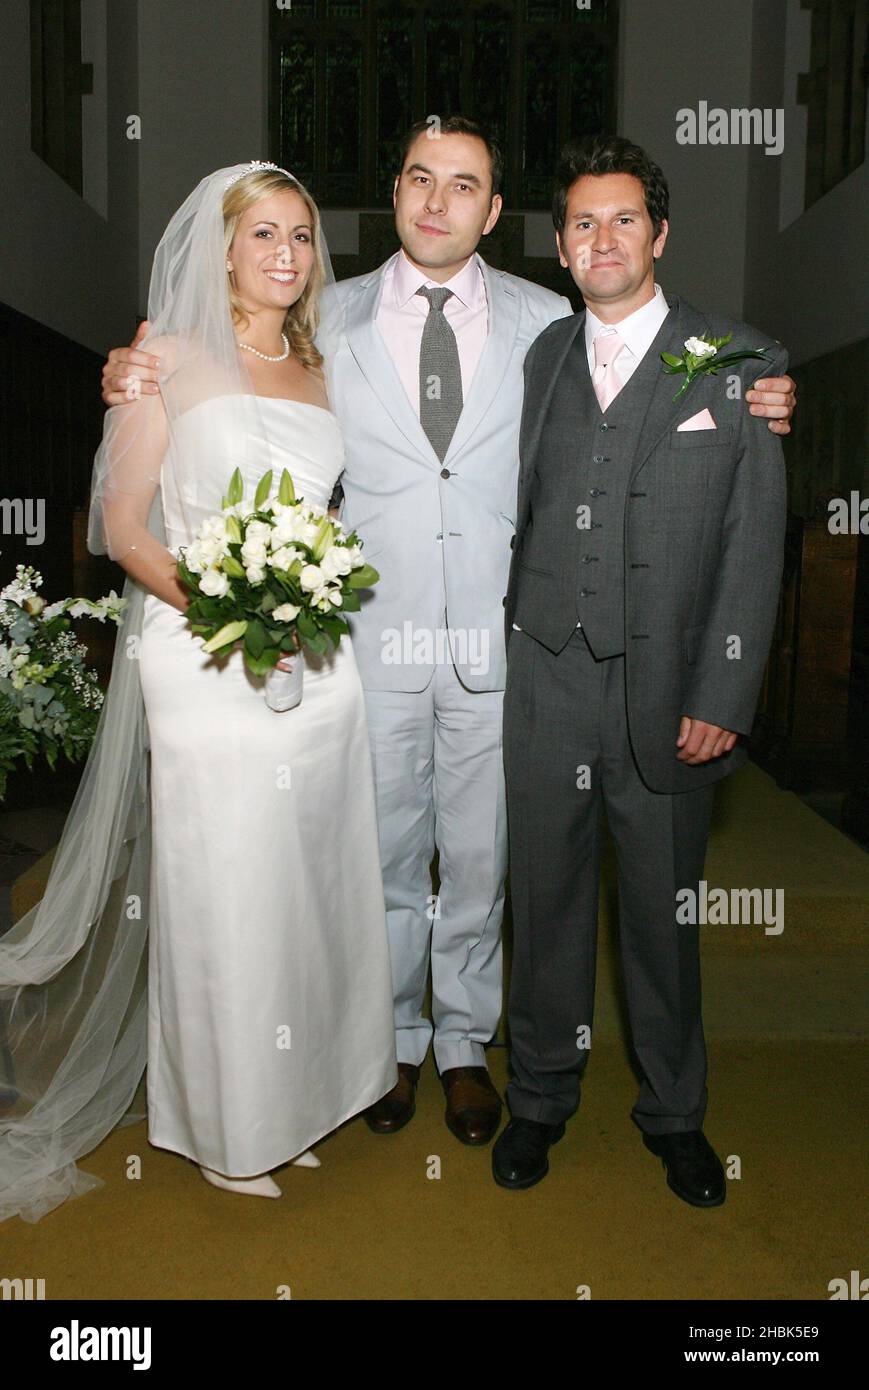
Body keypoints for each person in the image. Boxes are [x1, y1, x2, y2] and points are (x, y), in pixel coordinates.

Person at [100, 119, 797, 1152]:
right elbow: (227, 376)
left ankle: (465, 1043)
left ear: (495, 211)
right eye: (420, 178)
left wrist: (755, 392)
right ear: (393, 192)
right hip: (348, 641)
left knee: (483, 859)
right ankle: (387, 1037)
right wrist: (136, 369)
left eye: (463, 184)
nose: (437, 200)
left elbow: (640, 385)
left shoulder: (542, 319)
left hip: (502, 642)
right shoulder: (317, 316)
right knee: (376, 854)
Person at [0, 162, 396, 1222]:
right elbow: (122, 526)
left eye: (302, 237)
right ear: (221, 248)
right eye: (263, 233)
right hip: (202, 652)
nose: (285, 253)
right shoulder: (160, 361)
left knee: (306, 893)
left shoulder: (319, 369)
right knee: (226, 890)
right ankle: (221, 1125)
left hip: (316, 664)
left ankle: (296, 1100)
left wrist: (292, 613)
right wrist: (234, 614)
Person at [494, 136, 788, 1205]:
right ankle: (538, 1097)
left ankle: (672, 1114)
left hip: (669, 694)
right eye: (580, 222)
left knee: (662, 919)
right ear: (562, 246)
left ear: (656, 235)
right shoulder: (545, 359)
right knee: (547, 904)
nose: (600, 237)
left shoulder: (737, 361)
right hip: (546, 678)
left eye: (622, 219)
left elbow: (756, 542)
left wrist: (722, 692)